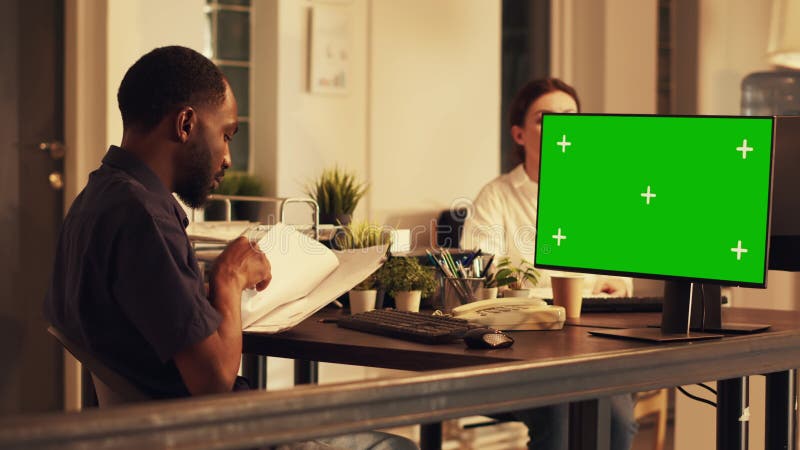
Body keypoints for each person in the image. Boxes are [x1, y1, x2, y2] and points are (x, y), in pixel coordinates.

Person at [44, 46, 416, 450]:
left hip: (155, 429)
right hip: (211, 433)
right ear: (186, 123)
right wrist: (229, 275)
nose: (227, 158)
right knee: (394, 446)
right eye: (225, 135)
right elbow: (214, 383)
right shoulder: (145, 218)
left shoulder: (95, 199)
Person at [461, 78, 638, 450]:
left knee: (616, 421)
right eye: (544, 118)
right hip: (524, 348)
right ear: (520, 134)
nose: (559, 125)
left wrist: (619, 286)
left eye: (570, 116)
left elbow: (622, 278)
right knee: (562, 415)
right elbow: (482, 281)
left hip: (594, 345)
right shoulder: (496, 197)